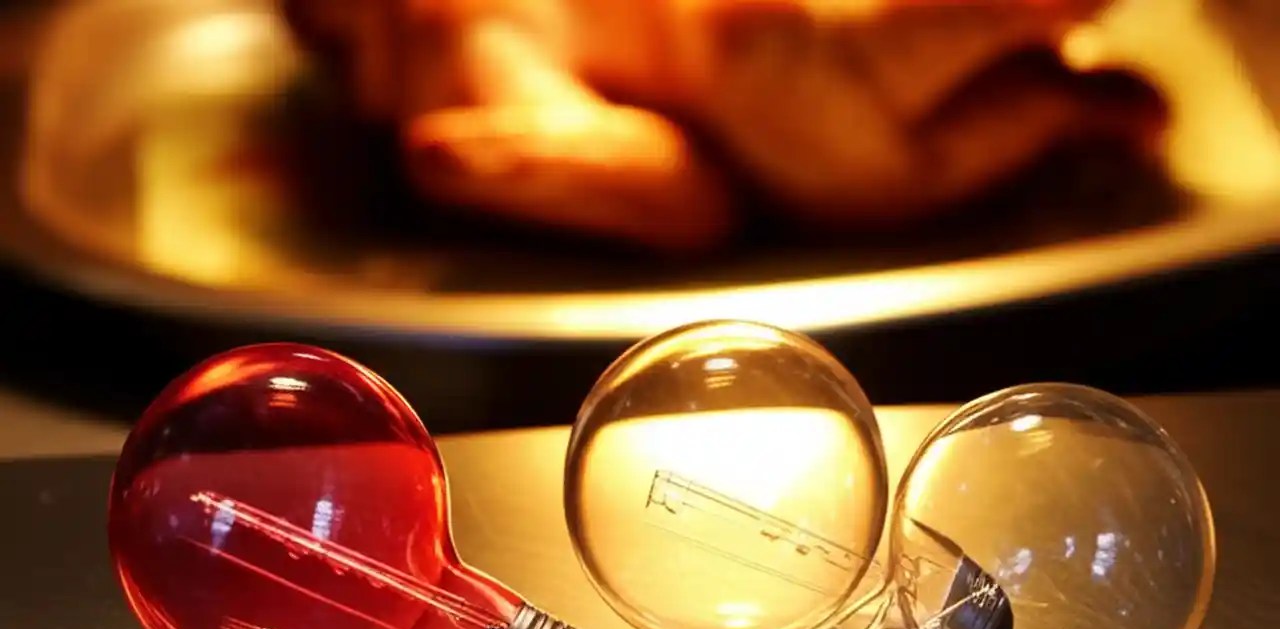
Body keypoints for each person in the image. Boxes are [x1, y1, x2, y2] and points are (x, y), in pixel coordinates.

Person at [280, 0, 1166, 250]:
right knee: (1092, 88)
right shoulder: (460, 45)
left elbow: (687, 197)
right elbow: (686, 201)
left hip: (824, 111)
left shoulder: (457, 41)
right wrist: (481, 157)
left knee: (1097, 100)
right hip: (819, 95)